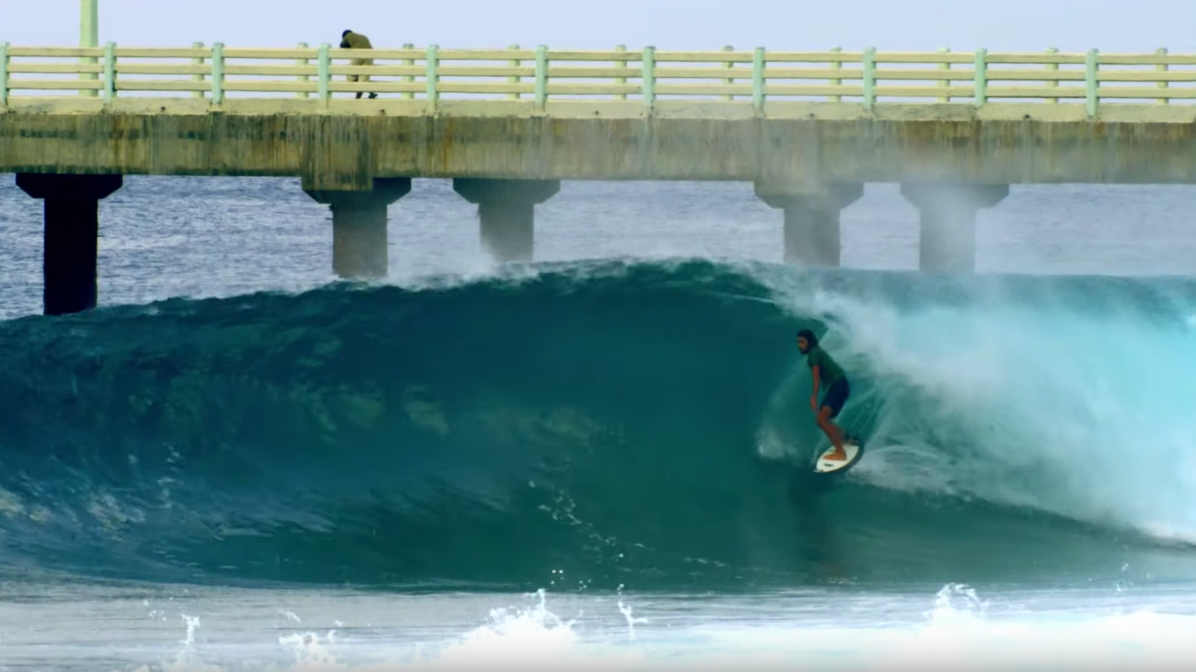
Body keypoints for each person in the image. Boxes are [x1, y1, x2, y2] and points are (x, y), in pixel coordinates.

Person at [796, 329, 851, 462]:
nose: (799, 345)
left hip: (838, 385)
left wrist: (813, 396)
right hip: (840, 385)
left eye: (802, 342)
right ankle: (846, 438)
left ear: (809, 342)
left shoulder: (813, 354)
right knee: (823, 420)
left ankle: (840, 453)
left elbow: (816, 376)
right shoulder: (816, 352)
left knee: (821, 420)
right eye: (798, 342)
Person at [340, 30, 378, 99]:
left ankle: (358, 94)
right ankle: (363, 96)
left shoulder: (348, 35)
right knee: (363, 79)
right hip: (370, 56)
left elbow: (342, 45)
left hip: (359, 54)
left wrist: (348, 46)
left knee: (349, 73)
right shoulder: (362, 37)